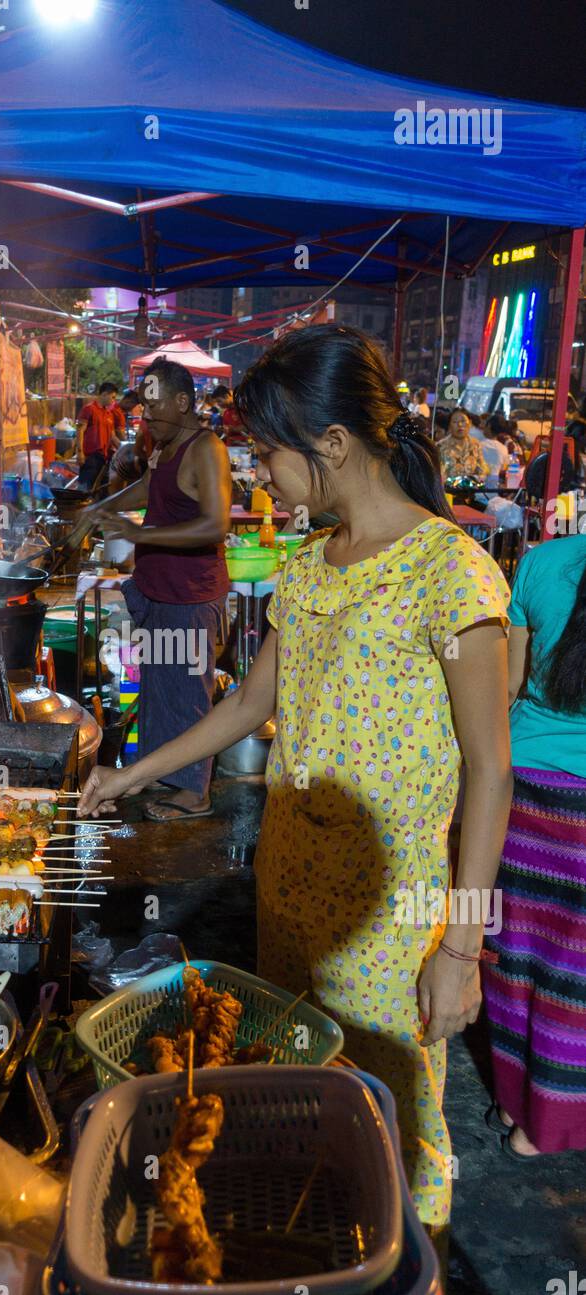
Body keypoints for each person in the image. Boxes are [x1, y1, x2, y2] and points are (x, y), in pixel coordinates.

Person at [79, 325, 512, 1230]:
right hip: (290, 889)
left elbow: (490, 774)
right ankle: (321, 1253)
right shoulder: (308, 567)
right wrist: (131, 773)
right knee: (306, 1098)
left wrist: (462, 951)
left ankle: (401, 1275)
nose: (259, 477)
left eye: (269, 455)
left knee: (393, 1117)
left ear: (334, 446)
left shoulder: (451, 574)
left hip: (393, 920)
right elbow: (244, 708)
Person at [71, 356, 231, 820]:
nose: (147, 418)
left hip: (191, 596)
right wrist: (101, 507)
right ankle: (162, 773)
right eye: (143, 409)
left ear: (183, 403)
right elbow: (147, 488)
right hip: (160, 590)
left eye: (155, 409)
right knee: (160, 690)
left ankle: (194, 793)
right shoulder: (166, 444)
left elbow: (215, 525)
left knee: (187, 696)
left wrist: (140, 534)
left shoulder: (206, 448)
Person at [484, 535, 586, 1158]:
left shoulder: (543, 562)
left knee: (513, 955)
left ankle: (508, 1096)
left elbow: (509, 685)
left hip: (523, 791)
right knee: (574, 974)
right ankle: (541, 1127)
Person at [75, 381, 120, 494]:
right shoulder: (89, 409)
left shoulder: (109, 414)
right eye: (112, 397)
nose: (113, 401)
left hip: (104, 458)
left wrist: (124, 449)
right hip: (91, 457)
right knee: (85, 490)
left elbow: (112, 436)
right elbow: (80, 430)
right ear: (104, 394)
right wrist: (80, 452)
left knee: (101, 490)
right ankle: (81, 511)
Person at [438, 407, 489, 482]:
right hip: (448, 492)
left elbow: (482, 469)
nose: (460, 425)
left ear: (470, 423)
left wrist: (480, 477)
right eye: (455, 422)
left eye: (463, 421)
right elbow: (438, 475)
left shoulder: (476, 444)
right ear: (449, 425)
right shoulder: (440, 446)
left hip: (471, 491)